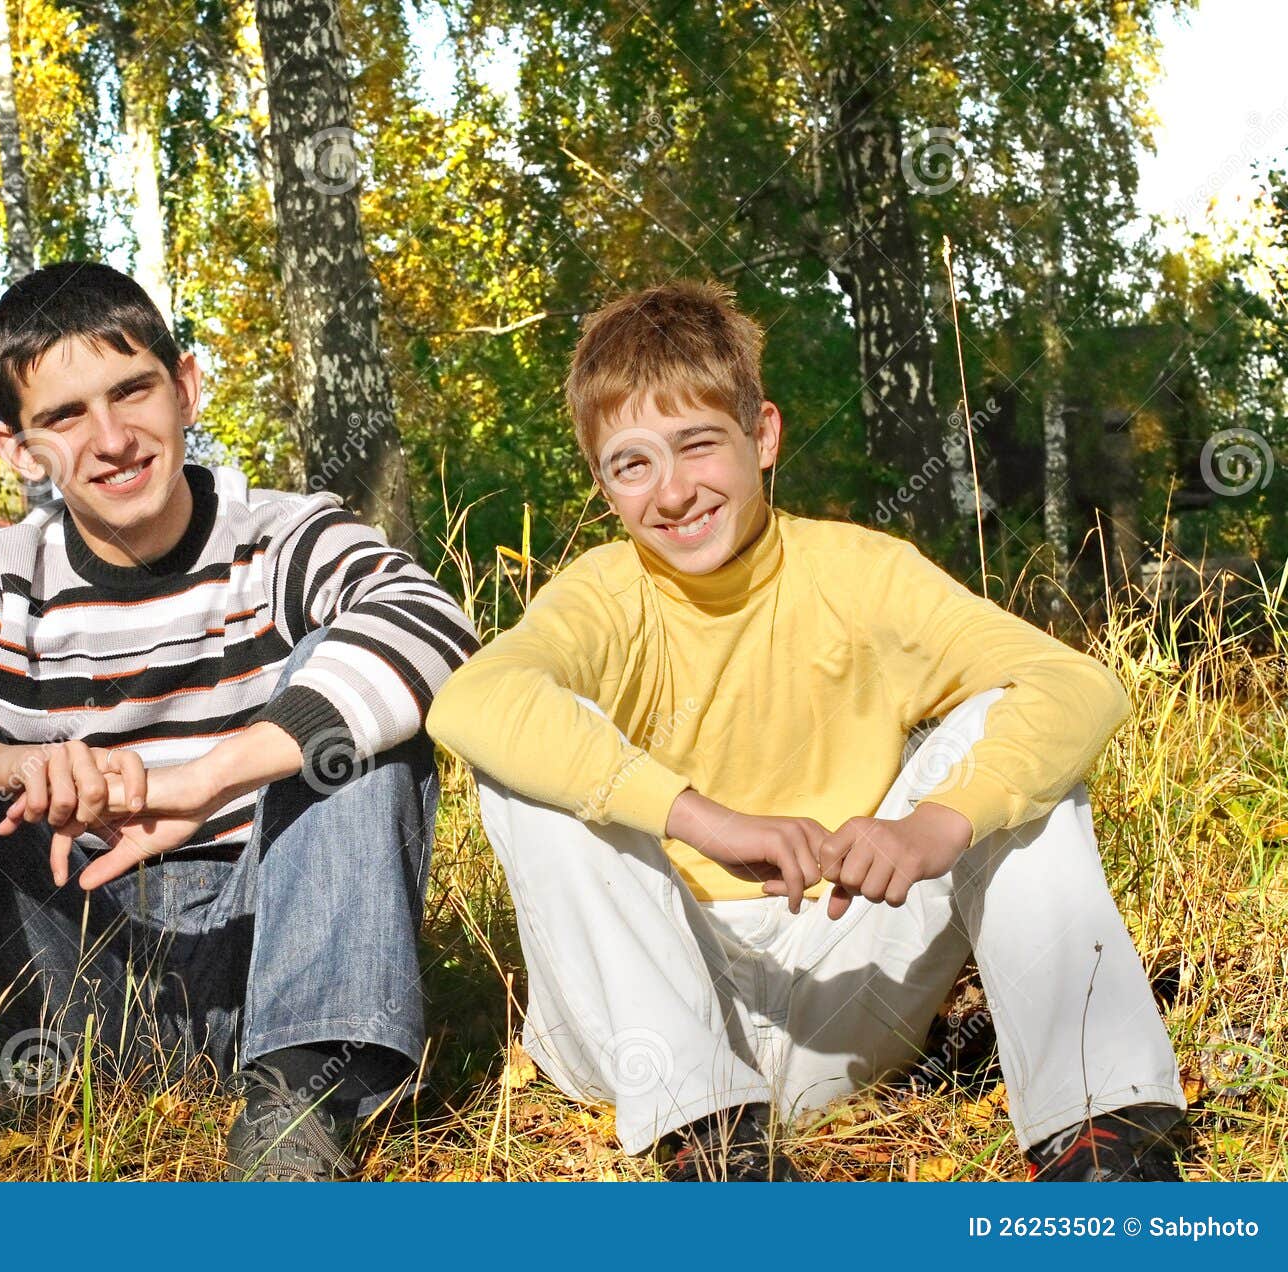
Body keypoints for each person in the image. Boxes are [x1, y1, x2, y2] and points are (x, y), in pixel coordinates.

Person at [425, 280, 1190, 1182]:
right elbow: (468, 702)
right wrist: (708, 821)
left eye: (698, 445)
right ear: (603, 482)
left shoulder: (859, 573)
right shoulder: (602, 592)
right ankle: (715, 1151)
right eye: (632, 465)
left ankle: (1106, 1129)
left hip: (842, 984)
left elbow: (1077, 685)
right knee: (531, 752)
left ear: (765, 437)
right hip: (640, 1022)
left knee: (1007, 722)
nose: (672, 493)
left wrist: (938, 823)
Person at [0, 262, 478, 1182]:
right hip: (63, 978)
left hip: (268, 965)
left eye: (133, 391)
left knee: (361, 714)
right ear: (20, 452)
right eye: (62, 417)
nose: (111, 439)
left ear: (186, 389)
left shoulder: (283, 538)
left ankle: (300, 1117)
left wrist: (209, 779)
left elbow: (428, 620)